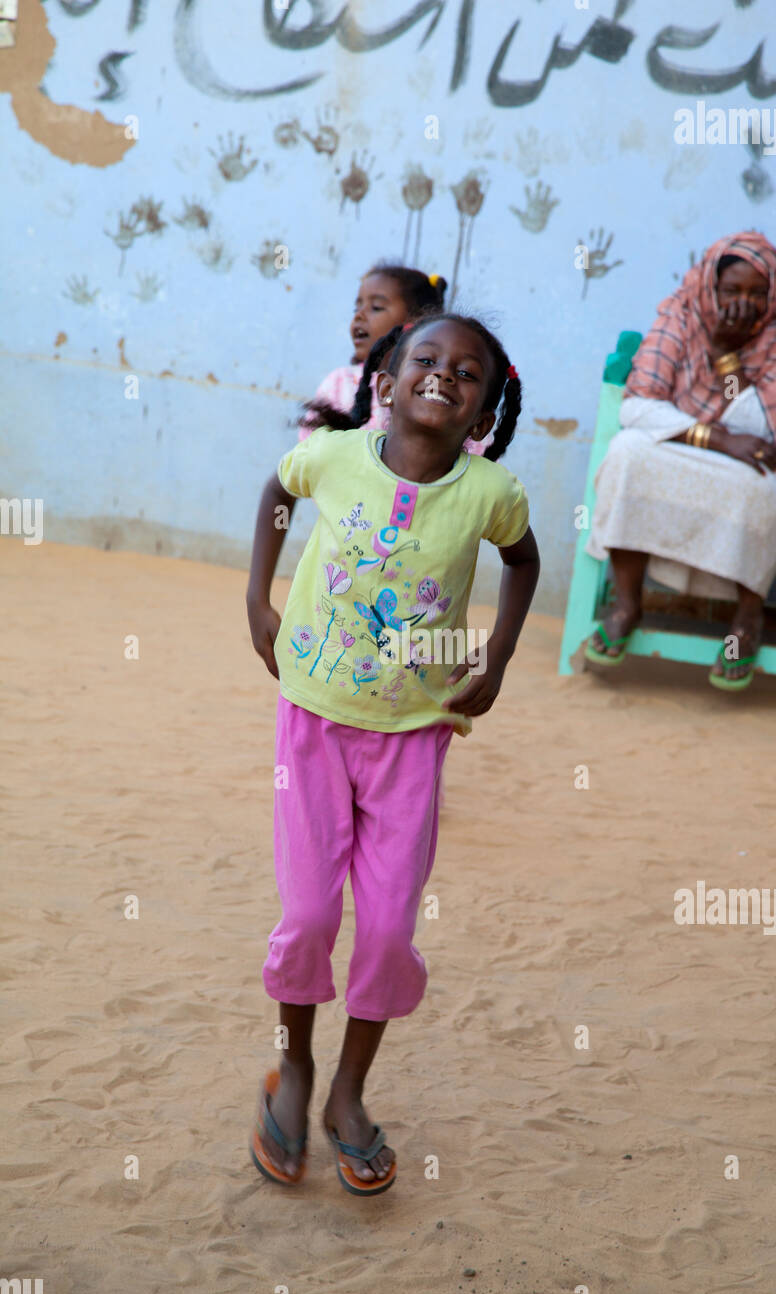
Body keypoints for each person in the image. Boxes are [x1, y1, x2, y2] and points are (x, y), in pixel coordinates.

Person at [246, 311, 540, 1193]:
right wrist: (256, 602)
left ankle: (347, 1092)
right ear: (386, 381)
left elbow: (523, 563)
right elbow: (277, 493)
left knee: (383, 931)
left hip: (413, 739)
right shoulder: (333, 459)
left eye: (470, 372)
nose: (445, 374)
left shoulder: (492, 494)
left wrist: (499, 652)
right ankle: (294, 1067)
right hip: (314, 723)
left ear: (484, 410)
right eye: (427, 359)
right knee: (307, 919)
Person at [585, 231, 776, 690]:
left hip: (749, 457)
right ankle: (628, 602)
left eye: (757, 292)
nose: (744, 303)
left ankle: (747, 619)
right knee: (628, 452)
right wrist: (713, 437)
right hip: (685, 443)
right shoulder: (682, 311)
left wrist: (726, 355)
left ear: (775, 293)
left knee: (761, 490)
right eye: (732, 291)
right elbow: (637, 405)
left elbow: (762, 430)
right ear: (712, 288)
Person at [298, 262, 490, 454]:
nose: (359, 316)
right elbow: (308, 455)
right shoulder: (340, 383)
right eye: (356, 309)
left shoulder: (436, 390)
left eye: (376, 307)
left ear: (417, 324)